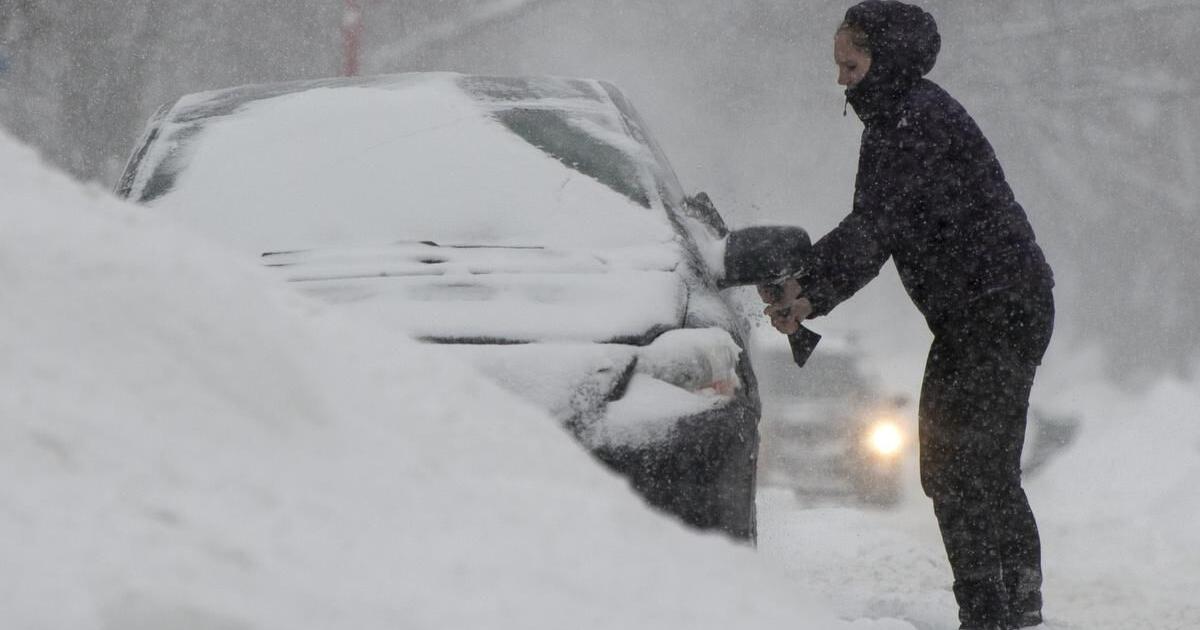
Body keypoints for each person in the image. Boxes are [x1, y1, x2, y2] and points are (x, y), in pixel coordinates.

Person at [759, 2, 1055, 628]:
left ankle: (1000, 610)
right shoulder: (900, 119)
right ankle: (1006, 607)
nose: (841, 79)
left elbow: (876, 226)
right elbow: (880, 224)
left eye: (851, 64)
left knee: (967, 466)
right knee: (966, 466)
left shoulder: (916, 123)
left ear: (885, 62)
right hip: (982, 313)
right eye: (838, 64)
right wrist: (809, 291)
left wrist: (809, 288)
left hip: (998, 309)